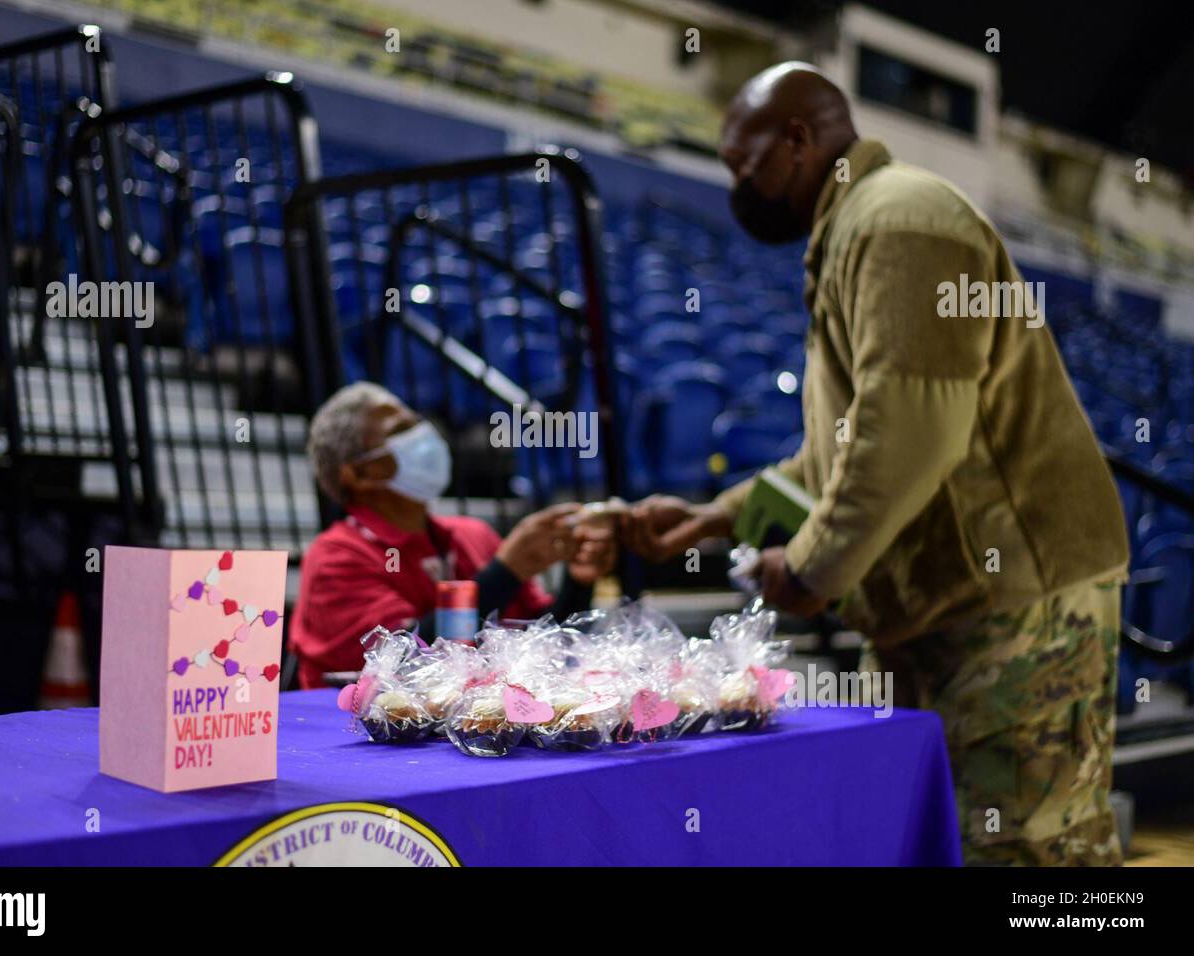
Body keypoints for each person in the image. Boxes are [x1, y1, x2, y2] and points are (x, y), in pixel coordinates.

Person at [622, 62, 1130, 865]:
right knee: (932, 842)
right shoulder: (861, 227)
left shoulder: (899, 220)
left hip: (1012, 605)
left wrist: (811, 567)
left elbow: (907, 437)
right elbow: (839, 452)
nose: (738, 186)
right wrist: (718, 517)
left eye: (744, 164)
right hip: (942, 606)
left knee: (1028, 854)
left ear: (798, 140)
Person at [290, 382, 614, 687]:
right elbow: (403, 661)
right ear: (358, 473)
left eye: (417, 424)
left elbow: (545, 642)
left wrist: (578, 582)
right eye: (400, 432)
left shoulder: (473, 534)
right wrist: (505, 573)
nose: (423, 437)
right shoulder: (336, 558)